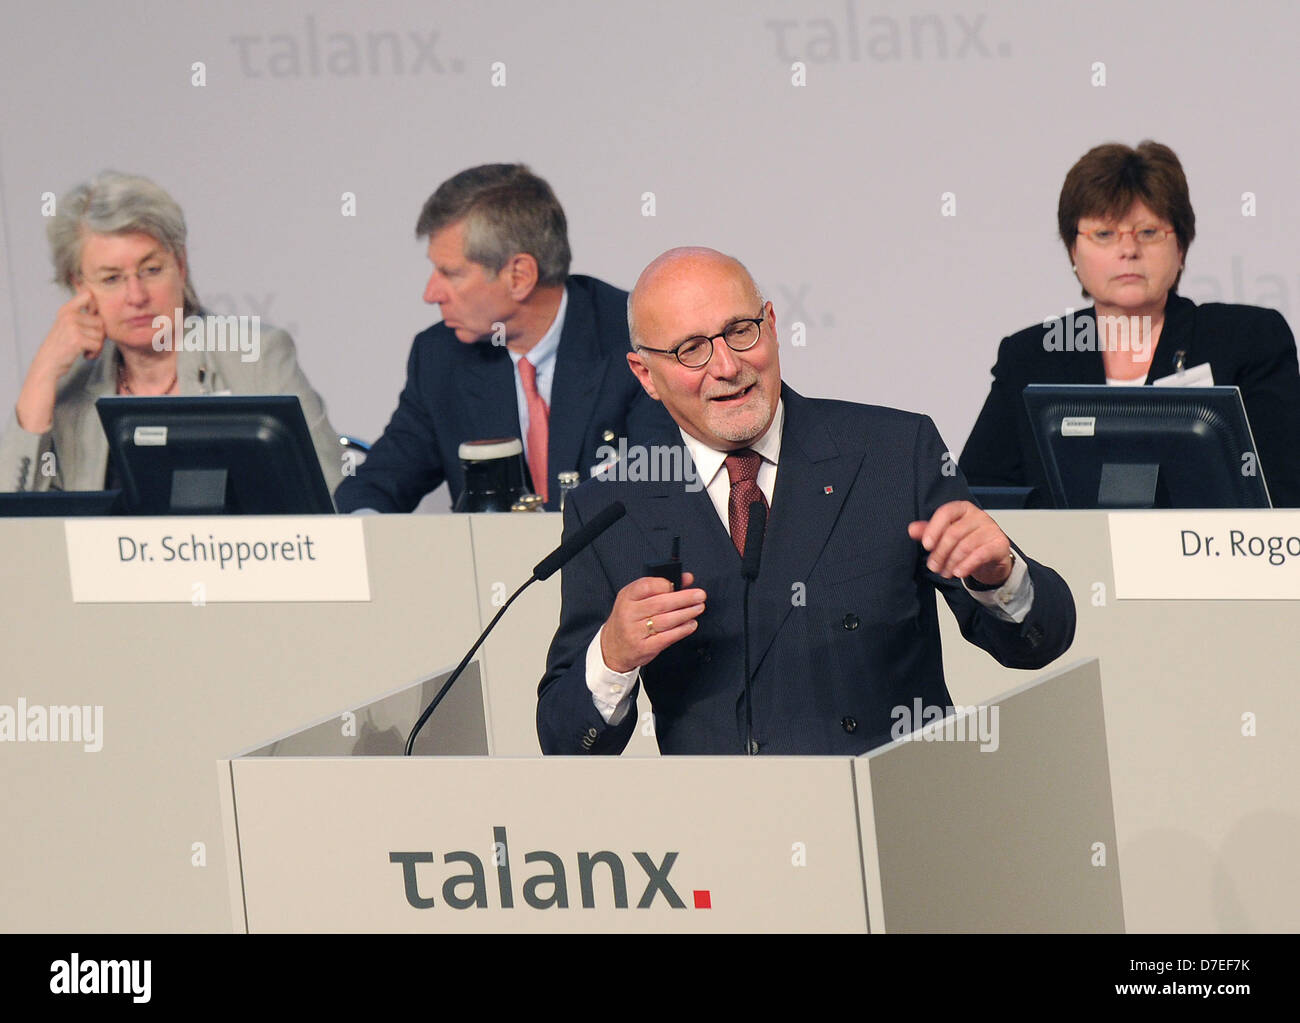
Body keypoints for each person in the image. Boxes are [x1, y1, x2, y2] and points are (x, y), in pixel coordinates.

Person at [536, 247, 1076, 756]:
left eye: (740, 332)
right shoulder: (611, 506)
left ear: (772, 325)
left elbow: (1034, 644)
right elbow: (565, 740)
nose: (726, 366)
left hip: (890, 813)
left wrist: (1000, 574)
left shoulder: (892, 452)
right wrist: (612, 657)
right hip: (730, 835)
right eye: (691, 350)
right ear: (645, 375)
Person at [960, 140, 1300, 507]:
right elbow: (981, 500)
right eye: (1104, 234)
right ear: (1074, 251)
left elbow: (1279, 494)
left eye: (1149, 232)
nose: (1128, 250)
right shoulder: (1030, 356)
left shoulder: (1248, 341)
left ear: (1181, 247)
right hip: (1064, 564)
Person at [333, 164, 673, 514]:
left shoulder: (637, 338)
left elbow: (661, 498)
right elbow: (379, 482)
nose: (430, 293)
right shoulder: (441, 357)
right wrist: (363, 524)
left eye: (451, 273)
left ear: (520, 276)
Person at [0, 170, 342, 496]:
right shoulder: (71, 391)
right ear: (79, 287)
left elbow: (332, 496)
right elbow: (19, 531)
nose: (136, 296)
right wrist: (41, 375)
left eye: (150, 270)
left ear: (180, 266)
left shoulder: (256, 358)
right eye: (112, 278)